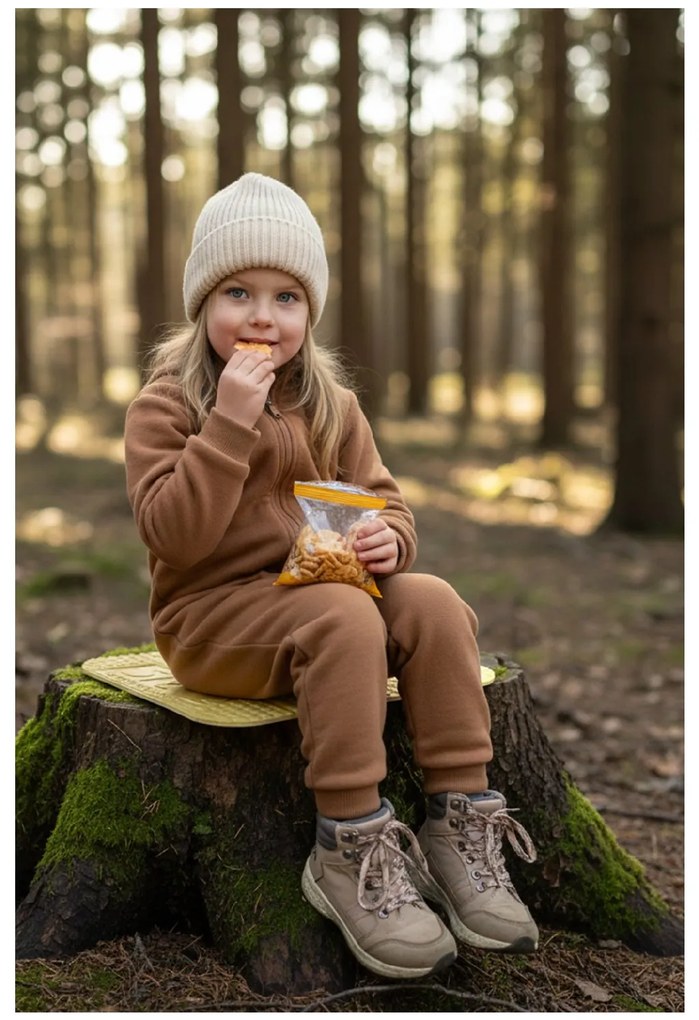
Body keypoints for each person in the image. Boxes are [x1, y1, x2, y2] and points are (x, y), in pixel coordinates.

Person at [124, 172, 539, 980]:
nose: (260, 316)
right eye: (237, 292)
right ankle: (350, 845)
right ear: (201, 305)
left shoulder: (332, 404)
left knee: (433, 604)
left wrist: (391, 541)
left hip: (319, 604)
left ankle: (461, 820)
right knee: (343, 617)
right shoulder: (167, 405)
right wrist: (228, 427)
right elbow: (173, 537)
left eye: (286, 298)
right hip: (211, 624)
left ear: (309, 312)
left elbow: (384, 501)